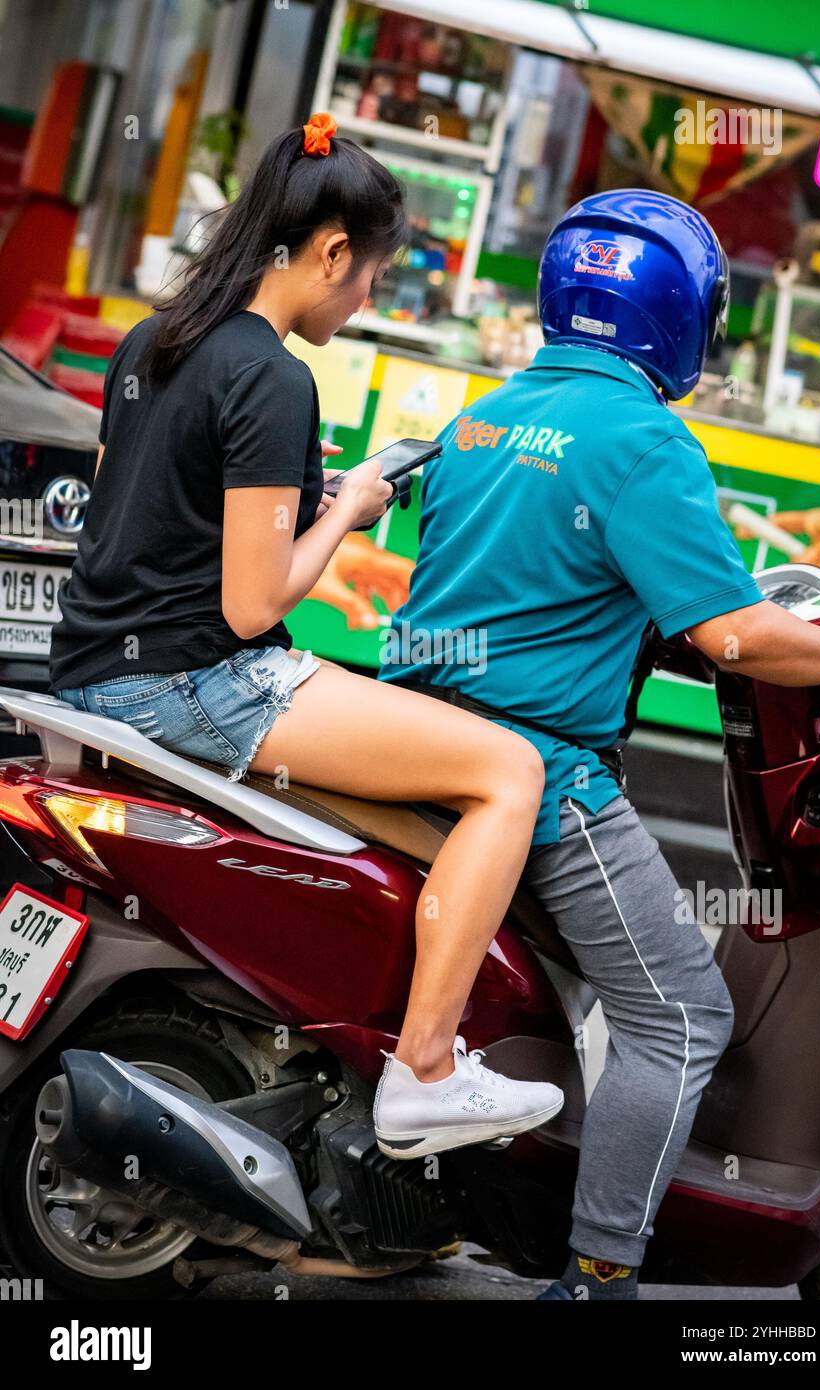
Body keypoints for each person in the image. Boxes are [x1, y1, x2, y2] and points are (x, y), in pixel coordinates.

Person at [379, 188, 820, 1299]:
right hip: (542, 774)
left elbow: (538, 583)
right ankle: (599, 1275)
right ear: (681, 317)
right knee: (683, 1015)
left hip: (416, 743)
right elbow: (738, 634)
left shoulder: (484, 414)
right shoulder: (646, 442)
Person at [48, 113, 564, 1162]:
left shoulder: (152, 341)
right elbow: (250, 607)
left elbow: (129, 516)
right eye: (371, 273)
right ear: (330, 253)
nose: (367, 296)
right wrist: (349, 509)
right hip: (199, 680)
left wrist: (301, 503)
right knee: (510, 772)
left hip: (93, 669)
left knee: (424, 816)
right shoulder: (276, 379)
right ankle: (424, 1072)